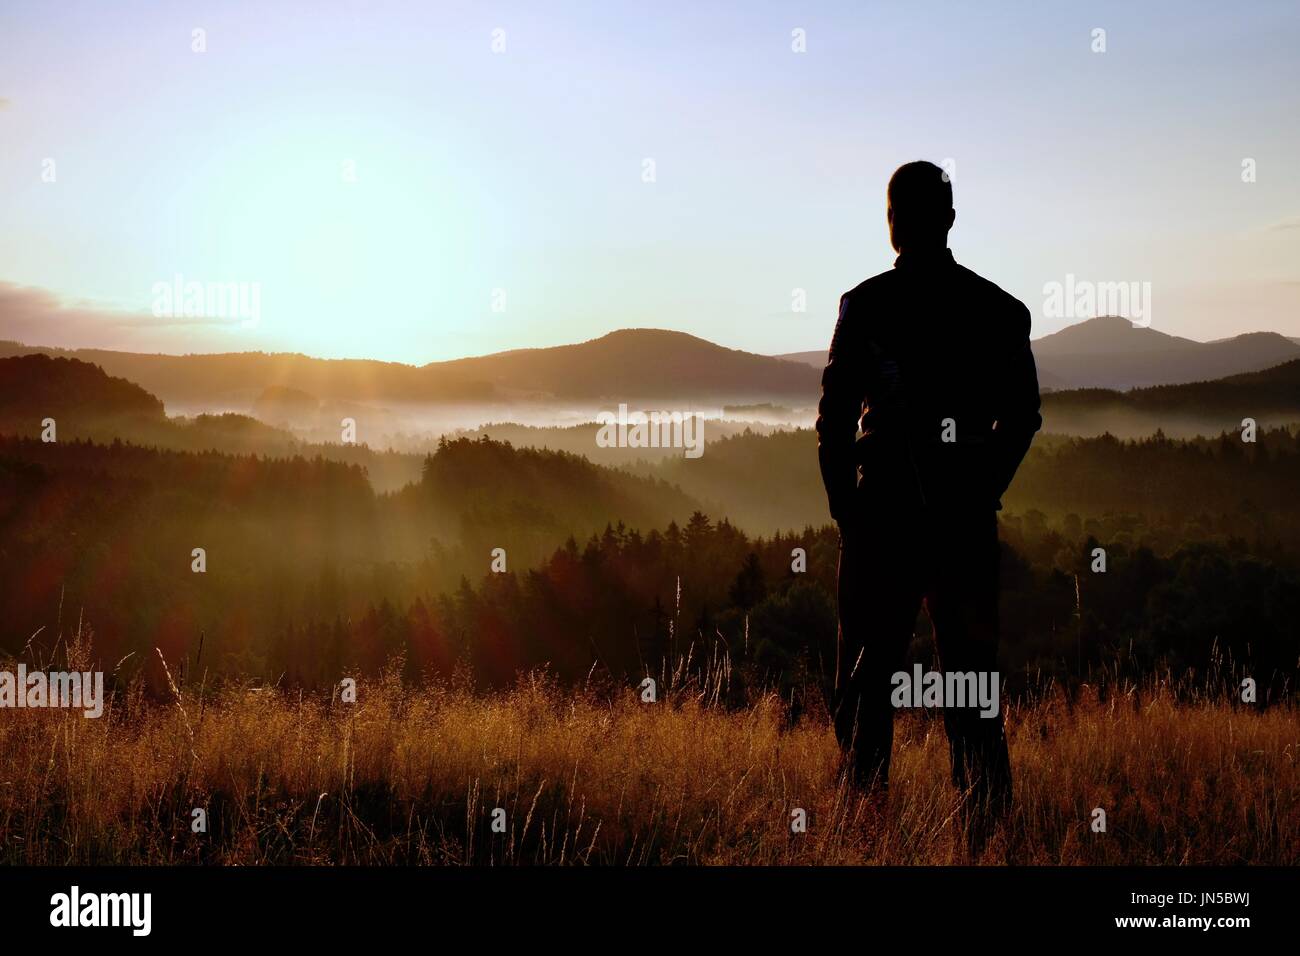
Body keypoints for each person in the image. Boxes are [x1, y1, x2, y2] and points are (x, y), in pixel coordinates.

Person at [815, 160, 1041, 844]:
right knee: (972, 689)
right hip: (962, 524)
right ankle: (986, 835)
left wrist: (848, 513)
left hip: (881, 519)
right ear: (949, 217)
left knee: (864, 684)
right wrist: (982, 490)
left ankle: (861, 834)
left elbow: (831, 423)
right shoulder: (998, 310)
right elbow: (1023, 415)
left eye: (893, 211)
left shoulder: (865, 305)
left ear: (894, 222)